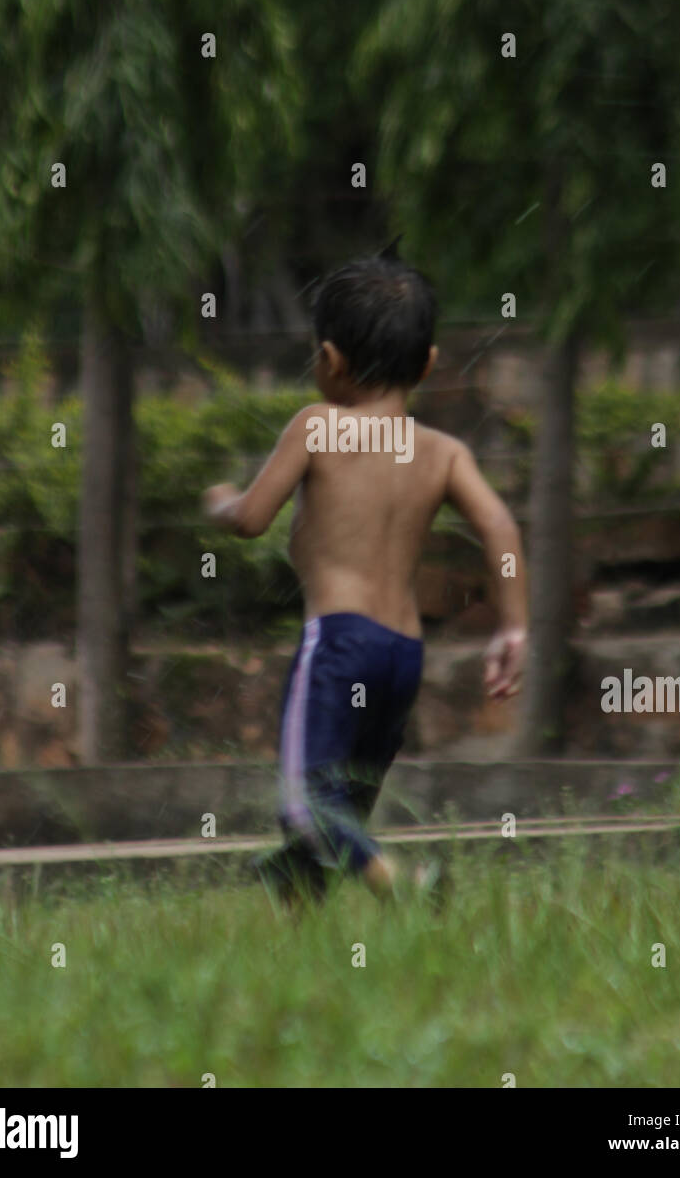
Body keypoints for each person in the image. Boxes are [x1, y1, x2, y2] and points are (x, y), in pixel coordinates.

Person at [203, 248, 527, 905]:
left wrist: (218, 502)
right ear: (429, 363)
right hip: (402, 657)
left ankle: (402, 888)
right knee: (339, 811)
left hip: (339, 645)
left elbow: (252, 520)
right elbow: (500, 527)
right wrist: (513, 625)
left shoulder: (315, 427)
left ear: (330, 360)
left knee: (306, 803)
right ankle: (299, 927)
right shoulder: (443, 452)